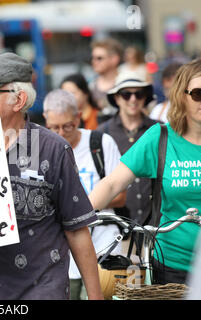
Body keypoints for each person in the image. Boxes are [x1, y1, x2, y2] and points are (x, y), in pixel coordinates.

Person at [0, 52, 103, 300]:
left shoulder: (53, 149)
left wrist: (95, 297)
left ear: (19, 100)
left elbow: (77, 228)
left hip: (39, 291)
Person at [88, 57, 201, 284]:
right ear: (182, 96)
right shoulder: (160, 137)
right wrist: (78, 217)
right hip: (173, 265)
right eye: (198, 94)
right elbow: (113, 183)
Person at [43, 89, 126, 300]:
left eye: (67, 126)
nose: (60, 133)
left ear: (78, 117)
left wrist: (78, 208)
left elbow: (120, 195)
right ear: (45, 120)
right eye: (54, 127)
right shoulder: (42, 150)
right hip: (63, 255)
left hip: (105, 246)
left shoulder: (100, 144)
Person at [97, 71, 158, 226]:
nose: (133, 99)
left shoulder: (159, 130)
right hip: (118, 226)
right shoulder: (103, 132)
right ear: (117, 98)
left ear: (145, 97)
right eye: (126, 94)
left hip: (155, 225)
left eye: (139, 94)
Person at [88, 38, 124, 122]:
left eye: (99, 58)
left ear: (114, 59)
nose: (94, 62)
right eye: (93, 58)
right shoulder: (90, 85)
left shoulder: (126, 84)